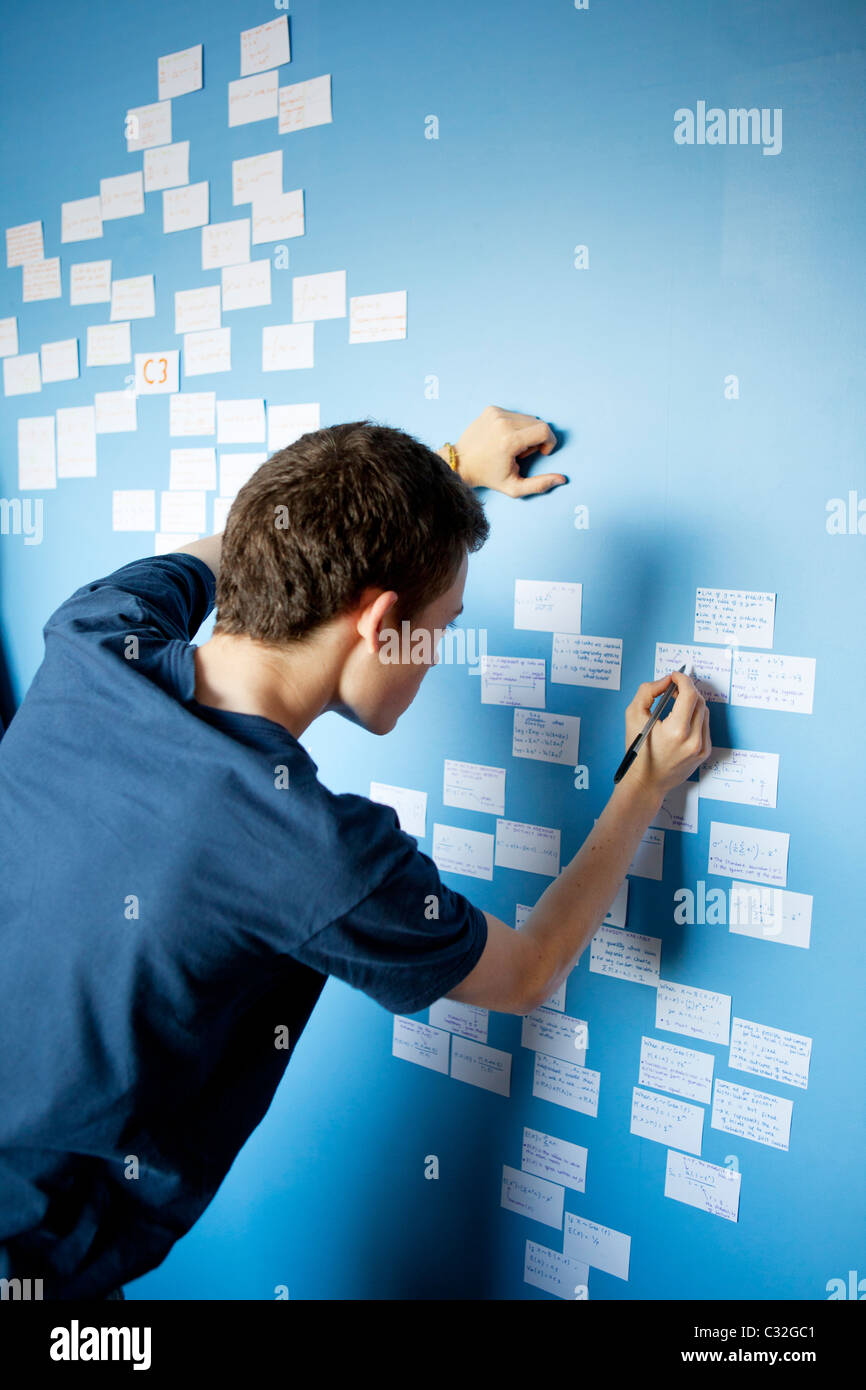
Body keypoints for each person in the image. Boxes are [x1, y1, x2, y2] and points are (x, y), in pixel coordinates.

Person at [0, 405, 709, 1301]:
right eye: (441, 627)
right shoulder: (314, 852)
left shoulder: (99, 633)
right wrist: (645, 781)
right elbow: (527, 973)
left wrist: (441, 475)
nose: (437, 652)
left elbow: (247, 544)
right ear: (380, 624)